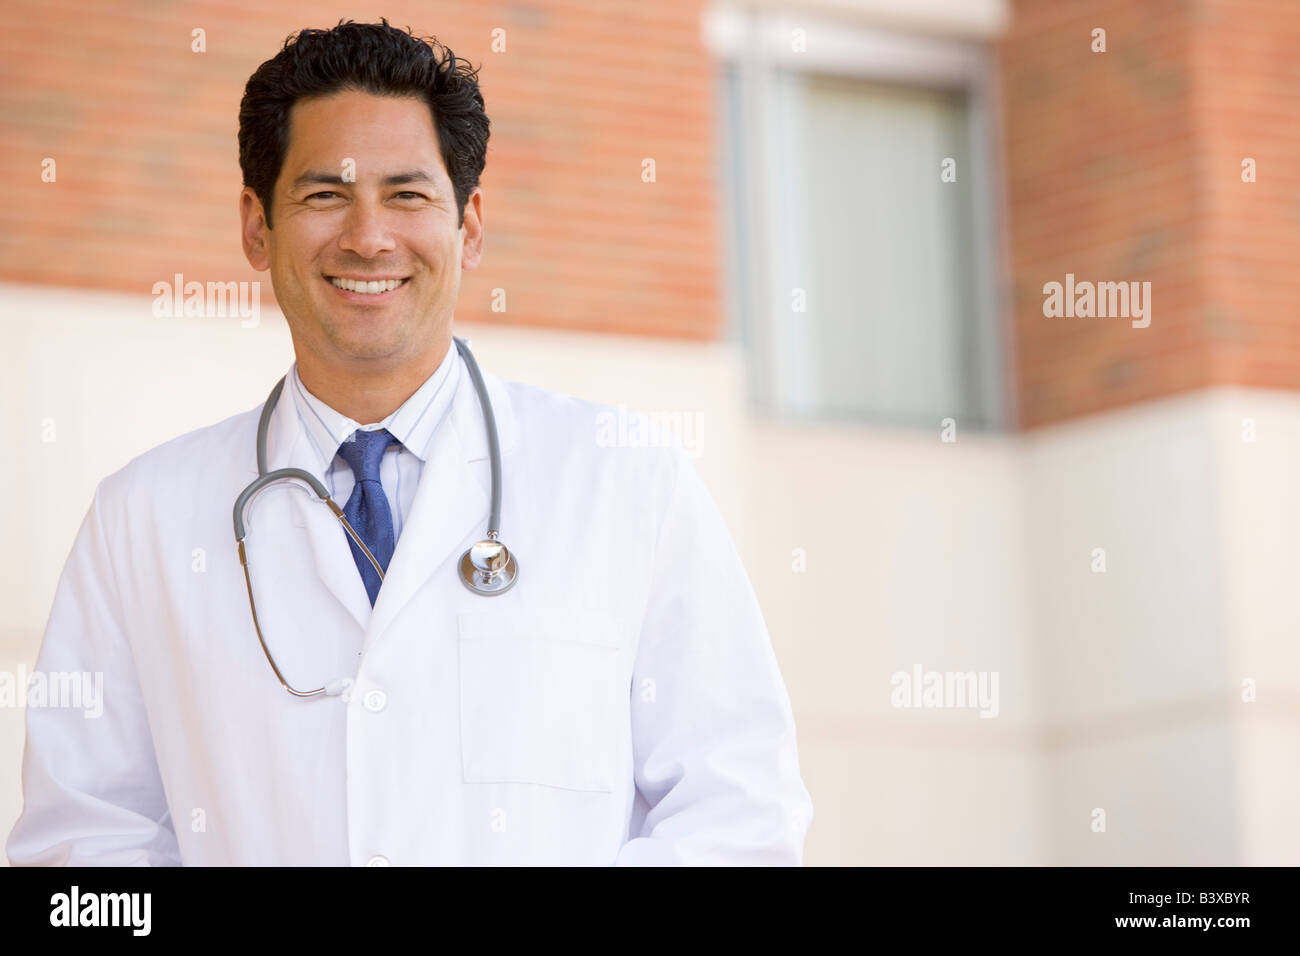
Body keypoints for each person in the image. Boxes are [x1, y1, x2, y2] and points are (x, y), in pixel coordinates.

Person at [6, 19, 812, 866]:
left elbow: (740, 819)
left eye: (408, 194)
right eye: (324, 195)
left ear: (468, 226)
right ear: (255, 227)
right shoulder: (141, 521)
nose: (368, 236)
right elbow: (82, 852)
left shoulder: (628, 481)